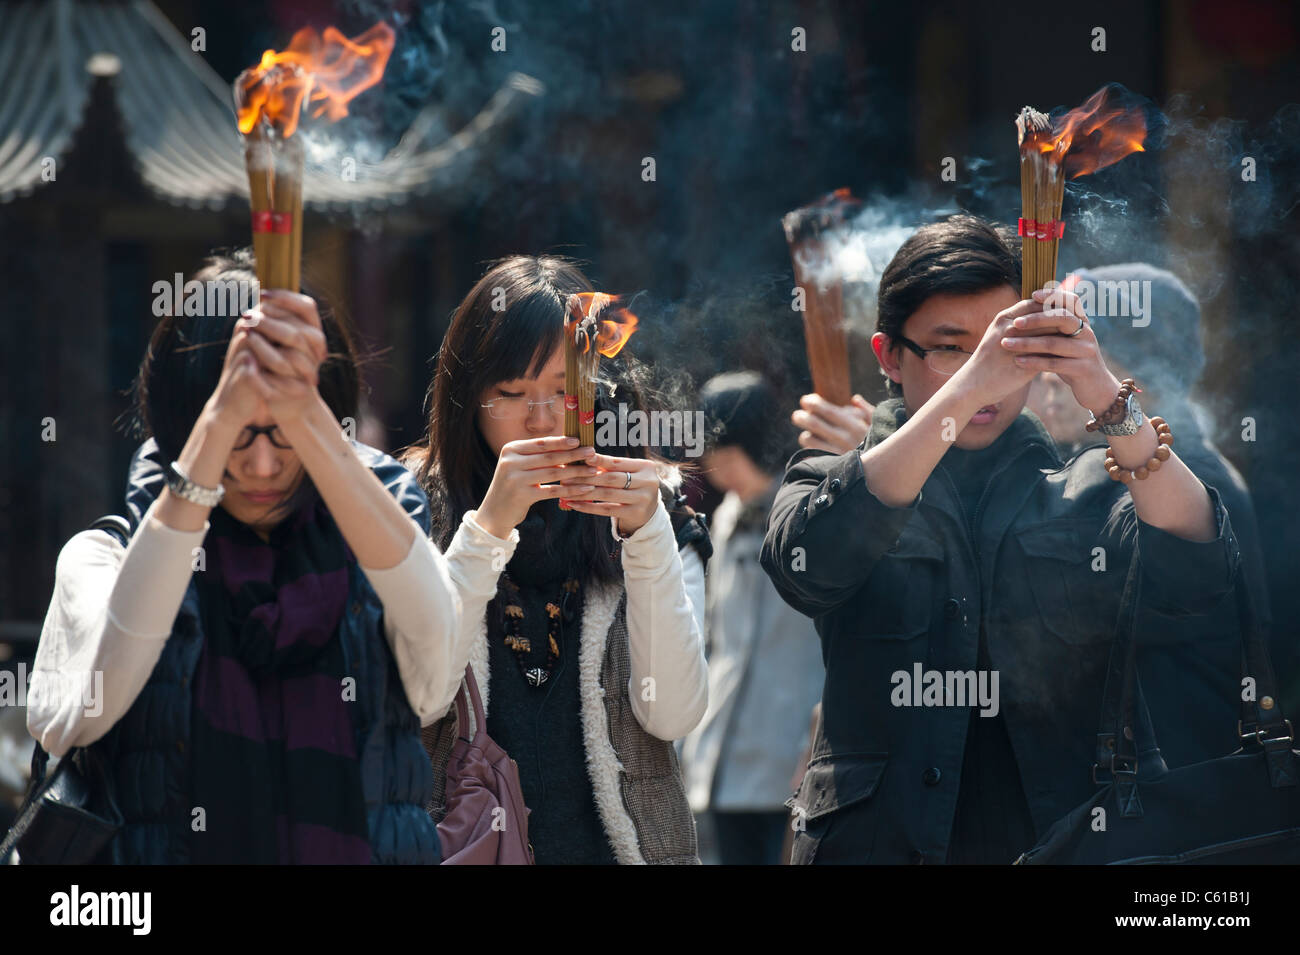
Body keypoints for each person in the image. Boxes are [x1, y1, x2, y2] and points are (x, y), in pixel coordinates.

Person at [761, 215, 1242, 865]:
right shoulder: (832, 476)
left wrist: (1102, 388)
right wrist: (968, 387)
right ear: (889, 357)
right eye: (949, 347)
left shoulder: (1083, 484)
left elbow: (1198, 564)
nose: (982, 373)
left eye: (1001, 346)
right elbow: (803, 565)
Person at [26, 250, 461, 864]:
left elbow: (436, 666)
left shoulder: (377, 546)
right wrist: (218, 423)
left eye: (284, 435)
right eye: (237, 436)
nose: (261, 467)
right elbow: (85, 712)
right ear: (184, 427)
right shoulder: (106, 557)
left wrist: (305, 412)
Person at [404, 255, 709, 865]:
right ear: (470, 401)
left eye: (564, 394)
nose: (542, 421)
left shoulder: (655, 510)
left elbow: (672, 713)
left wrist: (646, 536)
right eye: (511, 394)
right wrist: (487, 530)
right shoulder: (416, 511)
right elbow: (421, 701)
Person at [1038, 264, 1277, 767]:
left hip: (1173, 796)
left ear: (1134, 376)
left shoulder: (1189, 479)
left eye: (1071, 356)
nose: (1050, 380)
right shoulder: (1130, 465)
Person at [681, 371, 825, 865]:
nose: (713, 468)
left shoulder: (809, 511)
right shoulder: (724, 517)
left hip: (788, 750)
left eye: (722, 453)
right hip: (718, 750)